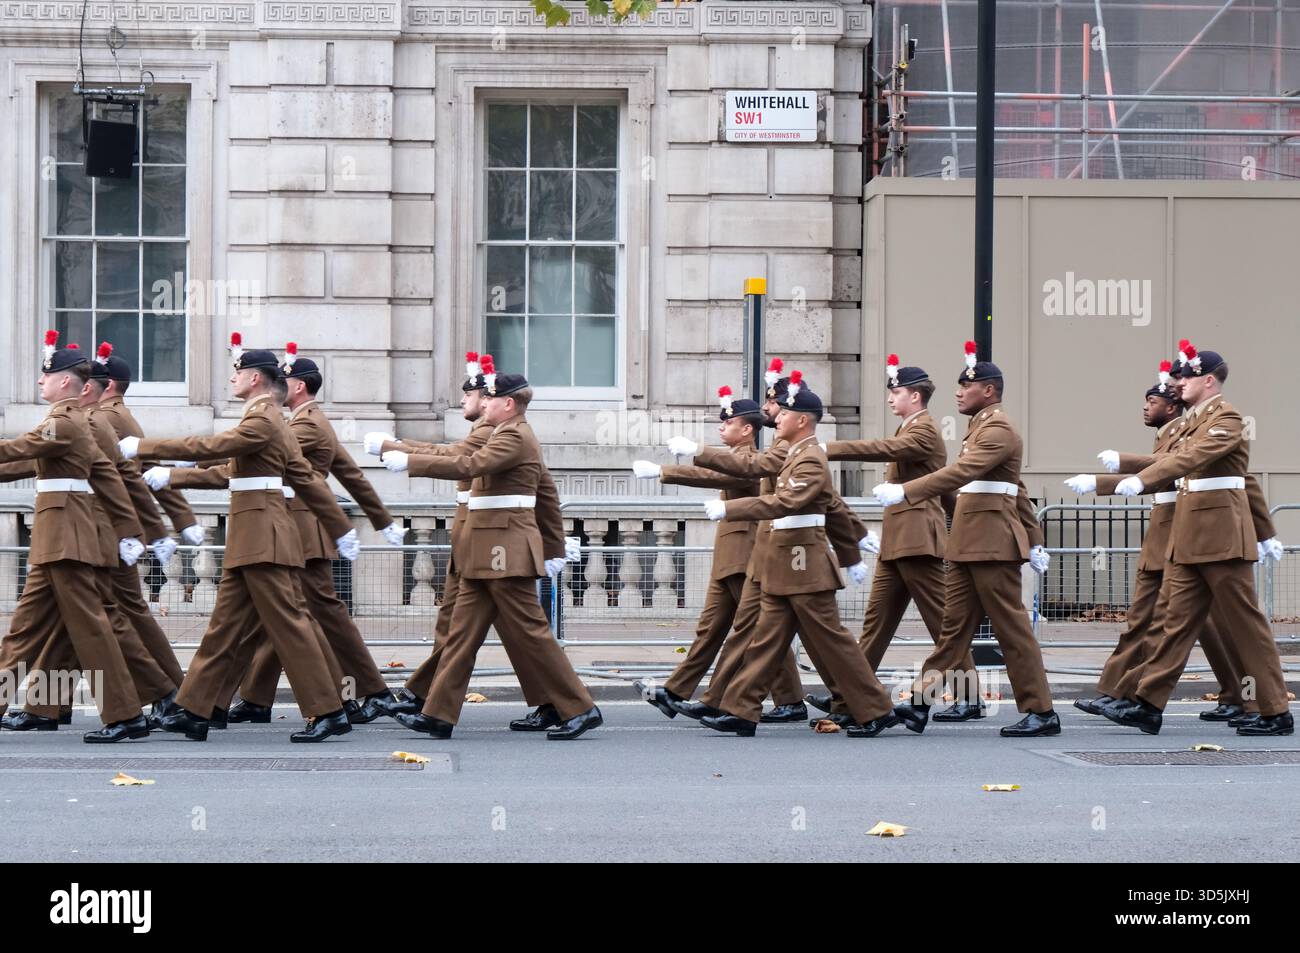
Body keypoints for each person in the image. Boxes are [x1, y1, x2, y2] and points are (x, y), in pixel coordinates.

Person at [695, 377, 919, 738]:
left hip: (804, 564)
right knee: (765, 640)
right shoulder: (795, 455)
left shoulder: (811, 459)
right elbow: (833, 506)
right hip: (786, 562)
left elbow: (786, 503)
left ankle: (876, 711)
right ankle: (740, 710)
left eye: (785, 413)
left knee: (834, 642)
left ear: (802, 420)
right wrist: (853, 548)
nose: (777, 418)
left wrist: (730, 509)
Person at [1105, 342, 1292, 736]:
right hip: (1190, 541)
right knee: (1175, 623)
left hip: (1222, 540)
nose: (1179, 383)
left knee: (1246, 625)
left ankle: (1275, 710)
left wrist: (1140, 479)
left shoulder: (1227, 418)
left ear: (1208, 380)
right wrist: (1119, 473)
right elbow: (1169, 459)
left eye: (1187, 377)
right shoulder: (1192, 423)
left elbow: (1189, 460)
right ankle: (1148, 704)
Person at [884, 342, 1058, 737]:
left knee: (1011, 629)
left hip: (992, 544)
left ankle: (1042, 711)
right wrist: (1034, 536)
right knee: (953, 631)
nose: (959, 392)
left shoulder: (997, 430)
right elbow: (1020, 489)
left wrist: (909, 490)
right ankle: (918, 702)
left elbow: (963, 473)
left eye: (966, 386)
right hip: (969, 544)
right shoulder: (980, 428)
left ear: (989, 391)